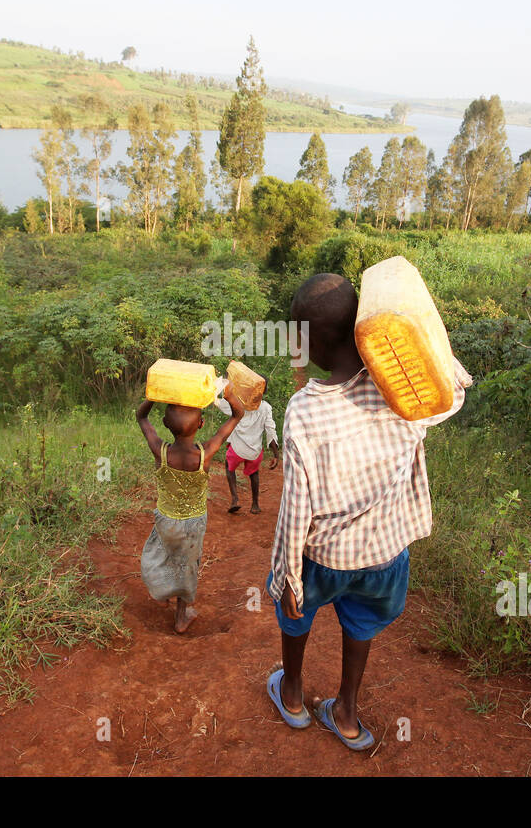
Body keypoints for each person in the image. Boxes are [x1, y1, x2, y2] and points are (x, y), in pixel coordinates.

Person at [265, 273, 473, 750]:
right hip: (383, 556)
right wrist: (408, 333)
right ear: (361, 325)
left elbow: (296, 509)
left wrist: (288, 576)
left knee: (295, 615)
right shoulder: (406, 396)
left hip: (322, 557)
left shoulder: (304, 411)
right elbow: (454, 388)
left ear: (305, 344)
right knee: (360, 626)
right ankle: (346, 712)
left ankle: (293, 695)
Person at [135, 393, 245, 633]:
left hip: (165, 521)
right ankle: (181, 616)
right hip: (193, 526)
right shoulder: (204, 454)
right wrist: (226, 392)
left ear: (165, 424)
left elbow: (141, 416)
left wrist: (155, 392)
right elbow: (238, 414)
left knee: (161, 555)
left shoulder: (160, 451)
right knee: (187, 567)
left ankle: (162, 591)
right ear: (202, 424)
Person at [212, 374, 280, 514]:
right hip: (254, 451)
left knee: (229, 468)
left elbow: (218, 402)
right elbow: (270, 430)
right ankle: (255, 505)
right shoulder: (266, 408)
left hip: (236, 448)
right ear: (265, 391)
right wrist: (276, 454)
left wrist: (221, 384)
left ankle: (235, 498)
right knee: (254, 474)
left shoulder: (238, 403)